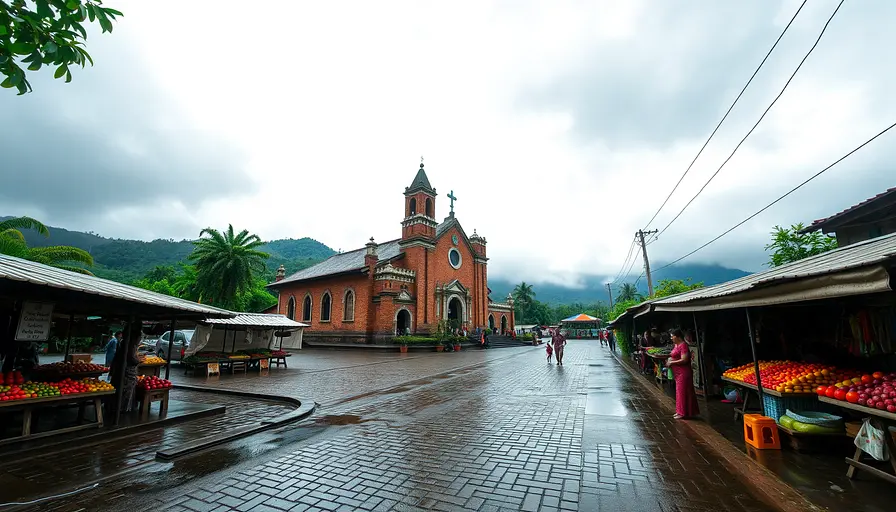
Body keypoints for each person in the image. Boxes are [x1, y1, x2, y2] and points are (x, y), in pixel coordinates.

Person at [109, 323, 144, 415]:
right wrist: (139, 360)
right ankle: (122, 408)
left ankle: (121, 407)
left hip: (123, 371)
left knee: (124, 390)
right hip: (127, 372)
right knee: (125, 390)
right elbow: (132, 359)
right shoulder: (129, 345)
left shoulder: (125, 343)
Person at [665, 328, 699, 420]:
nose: (671, 338)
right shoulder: (676, 345)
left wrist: (672, 362)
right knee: (679, 392)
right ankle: (680, 411)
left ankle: (683, 412)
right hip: (677, 373)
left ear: (678, 336)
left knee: (683, 392)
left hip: (684, 373)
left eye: (672, 336)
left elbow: (684, 359)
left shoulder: (683, 345)